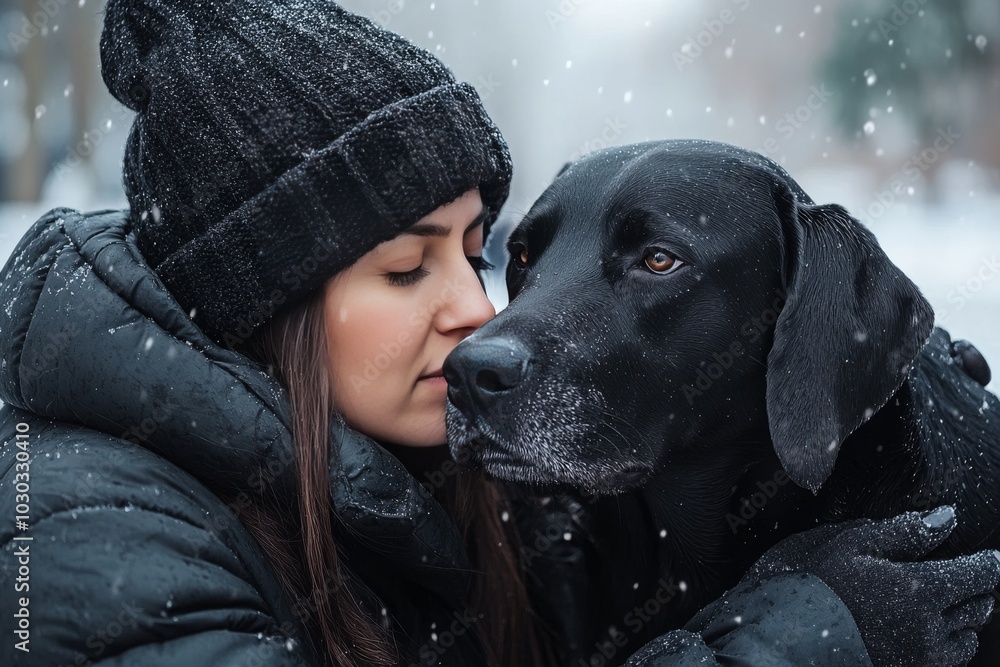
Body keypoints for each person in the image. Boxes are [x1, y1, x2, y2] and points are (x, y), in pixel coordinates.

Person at [0, 1, 996, 666]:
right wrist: (799, 638)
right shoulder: (82, 539)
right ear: (266, 308)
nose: (483, 317)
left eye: (479, 253)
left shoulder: (403, 470)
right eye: (403, 267)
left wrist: (868, 387)